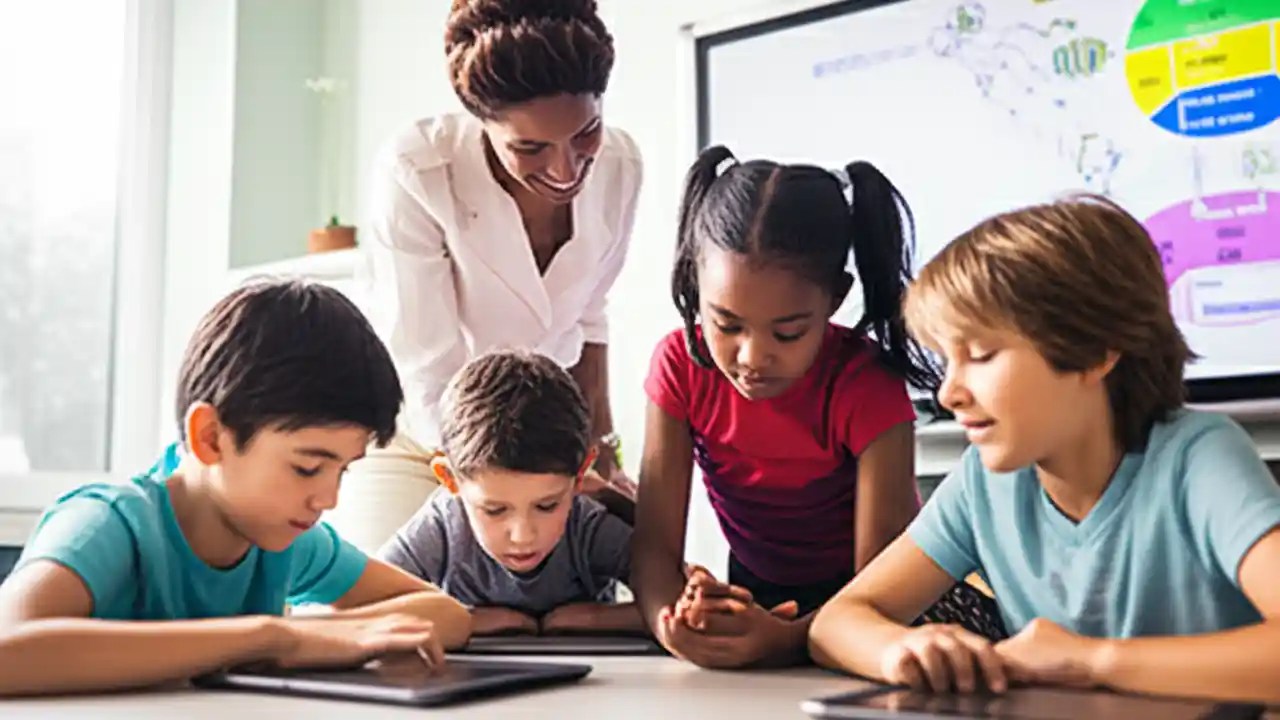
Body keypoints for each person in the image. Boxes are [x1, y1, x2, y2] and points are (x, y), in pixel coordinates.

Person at [808, 195, 1280, 704]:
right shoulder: (985, 482)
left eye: (981, 355)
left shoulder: (1198, 460)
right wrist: (901, 650)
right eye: (947, 361)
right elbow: (837, 622)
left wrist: (1089, 661)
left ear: (1094, 353)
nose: (948, 393)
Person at [0, 279, 471, 697]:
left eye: (342, 471)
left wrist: (329, 635)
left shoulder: (286, 541)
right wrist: (275, 638)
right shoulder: (108, 526)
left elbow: (445, 613)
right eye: (307, 468)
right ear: (210, 437)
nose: (328, 500)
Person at [631, 146, 998, 670]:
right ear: (696, 281)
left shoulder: (865, 383)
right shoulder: (680, 365)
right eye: (727, 325)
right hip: (763, 595)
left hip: (891, 606)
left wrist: (783, 640)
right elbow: (653, 551)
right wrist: (673, 625)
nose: (752, 357)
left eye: (788, 333)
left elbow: (882, 591)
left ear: (835, 299)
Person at [364, 0, 642, 501]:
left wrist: (602, 451)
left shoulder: (620, 165)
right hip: (422, 437)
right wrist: (517, 490)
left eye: (585, 134)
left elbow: (589, 318)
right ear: (481, 121)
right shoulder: (420, 170)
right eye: (530, 148)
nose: (565, 171)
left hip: (539, 432)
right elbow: (430, 371)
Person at [379, 349, 640, 636]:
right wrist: (469, 621)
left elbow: (673, 601)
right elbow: (364, 607)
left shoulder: (588, 526)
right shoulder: (441, 527)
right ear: (450, 479)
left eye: (547, 506)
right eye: (495, 510)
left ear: (580, 476)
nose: (522, 536)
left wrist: (592, 619)